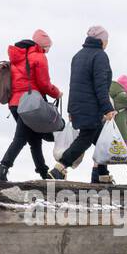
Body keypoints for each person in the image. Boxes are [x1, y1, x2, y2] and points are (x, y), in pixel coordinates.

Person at [0, 29, 61, 182]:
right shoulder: (39, 57)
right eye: (48, 47)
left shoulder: (18, 57)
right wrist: (57, 93)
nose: (49, 50)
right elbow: (44, 84)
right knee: (21, 138)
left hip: (15, 105)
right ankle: (1, 170)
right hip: (30, 106)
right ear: (43, 45)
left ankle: (43, 172)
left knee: (34, 138)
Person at [49, 26, 115, 183]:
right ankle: (60, 167)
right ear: (101, 41)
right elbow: (100, 85)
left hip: (79, 105)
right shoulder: (100, 56)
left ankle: (103, 175)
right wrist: (108, 108)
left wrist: (71, 109)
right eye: (106, 40)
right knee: (85, 139)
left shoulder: (77, 56)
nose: (107, 43)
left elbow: (74, 85)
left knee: (100, 140)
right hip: (91, 107)